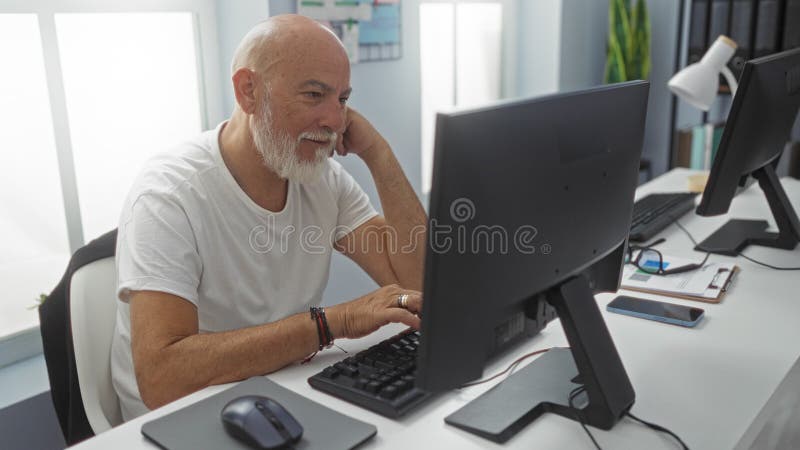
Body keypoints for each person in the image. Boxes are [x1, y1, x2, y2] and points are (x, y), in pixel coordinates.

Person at [110, 14, 427, 420]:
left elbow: (417, 284)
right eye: (315, 95)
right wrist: (334, 322)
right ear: (248, 91)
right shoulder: (168, 194)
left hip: (278, 393)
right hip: (184, 417)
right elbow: (162, 379)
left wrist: (378, 153)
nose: (335, 120)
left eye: (343, 99)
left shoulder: (321, 176)